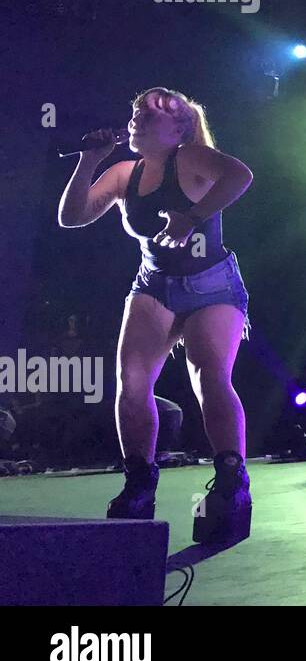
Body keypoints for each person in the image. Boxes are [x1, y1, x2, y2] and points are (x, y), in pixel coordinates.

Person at [58, 87, 255, 545]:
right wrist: (90, 160)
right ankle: (140, 483)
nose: (137, 119)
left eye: (150, 115)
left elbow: (240, 176)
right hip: (154, 285)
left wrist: (192, 215)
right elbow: (73, 217)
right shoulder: (125, 171)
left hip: (213, 283)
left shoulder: (191, 157)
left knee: (209, 375)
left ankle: (231, 480)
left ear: (180, 128)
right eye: (135, 113)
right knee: (132, 381)